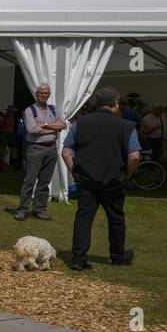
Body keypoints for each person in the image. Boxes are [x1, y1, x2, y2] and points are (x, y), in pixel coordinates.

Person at [63, 87, 140, 271]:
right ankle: (117, 256)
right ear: (115, 105)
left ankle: (78, 259)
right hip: (114, 181)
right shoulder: (126, 126)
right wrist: (128, 174)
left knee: (83, 218)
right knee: (116, 218)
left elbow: (66, 152)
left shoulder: (80, 123)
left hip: (86, 181)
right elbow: (134, 157)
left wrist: (75, 172)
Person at [14, 83, 67, 221]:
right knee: (30, 180)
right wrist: (54, 127)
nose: (44, 95)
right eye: (42, 93)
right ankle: (22, 209)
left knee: (45, 180)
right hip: (35, 148)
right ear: (37, 94)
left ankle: (40, 209)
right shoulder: (29, 110)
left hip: (51, 148)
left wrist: (43, 125)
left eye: (47, 93)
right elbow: (32, 130)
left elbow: (64, 124)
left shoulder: (54, 109)